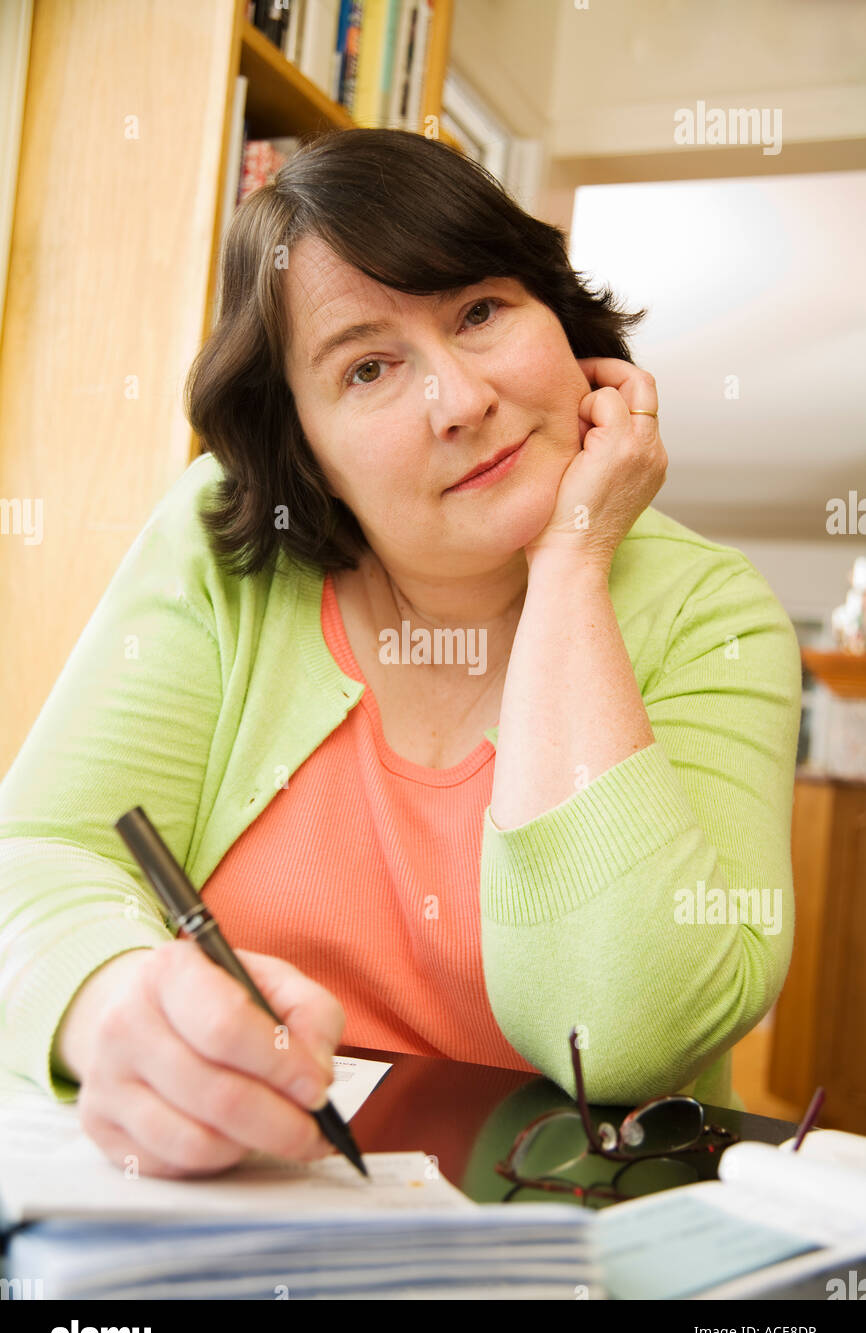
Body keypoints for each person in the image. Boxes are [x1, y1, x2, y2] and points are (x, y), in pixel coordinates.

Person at [0, 129, 801, 1179]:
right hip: (251, 1207)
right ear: (307, 449)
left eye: (479, 311)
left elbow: (615, 1033)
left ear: (561, 325)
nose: (460, 400)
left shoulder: (712, 612)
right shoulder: (217, 545)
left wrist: (571, 562)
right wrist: (107, 1002)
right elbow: (41, 856)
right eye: (368, 366)